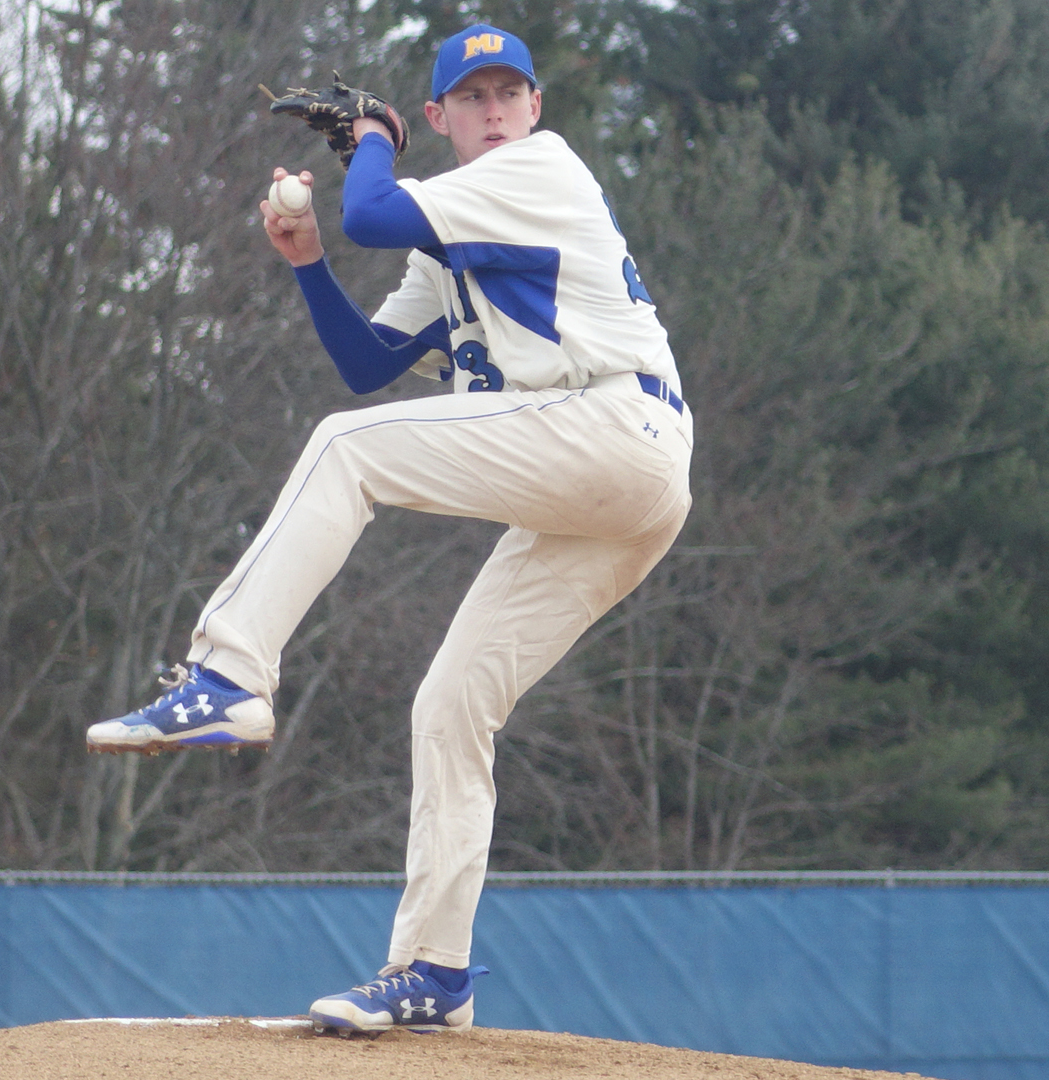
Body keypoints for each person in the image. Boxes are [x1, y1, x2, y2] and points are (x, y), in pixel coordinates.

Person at [85, 24, 693, 1032]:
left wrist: (374, 132)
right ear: (449, 118)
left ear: (534, 111)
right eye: (477, 99)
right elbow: (371, 361)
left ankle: (229, 676)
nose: (497, 113)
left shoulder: (538, 170)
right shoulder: (457, 222)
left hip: (613, 426)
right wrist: (309, 263)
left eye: (511, 94)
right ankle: (432, 976)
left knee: (344, 450)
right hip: (617, 486)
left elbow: (373, 207)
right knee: (451, 704)